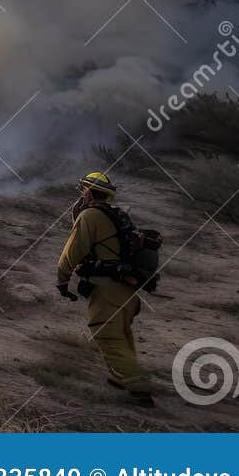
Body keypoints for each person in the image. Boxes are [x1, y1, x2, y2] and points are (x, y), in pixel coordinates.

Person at [56, 170, 153, 407]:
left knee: (106, 333)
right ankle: (119, 376)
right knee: (121, 333)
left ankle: (139, 389)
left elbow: (73, 250)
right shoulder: (116, 215)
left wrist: (62, 279)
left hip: (108, 288)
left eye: (84, 190)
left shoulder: (90, 215)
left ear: (90, 193)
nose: (82, 194)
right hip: (126, 288)